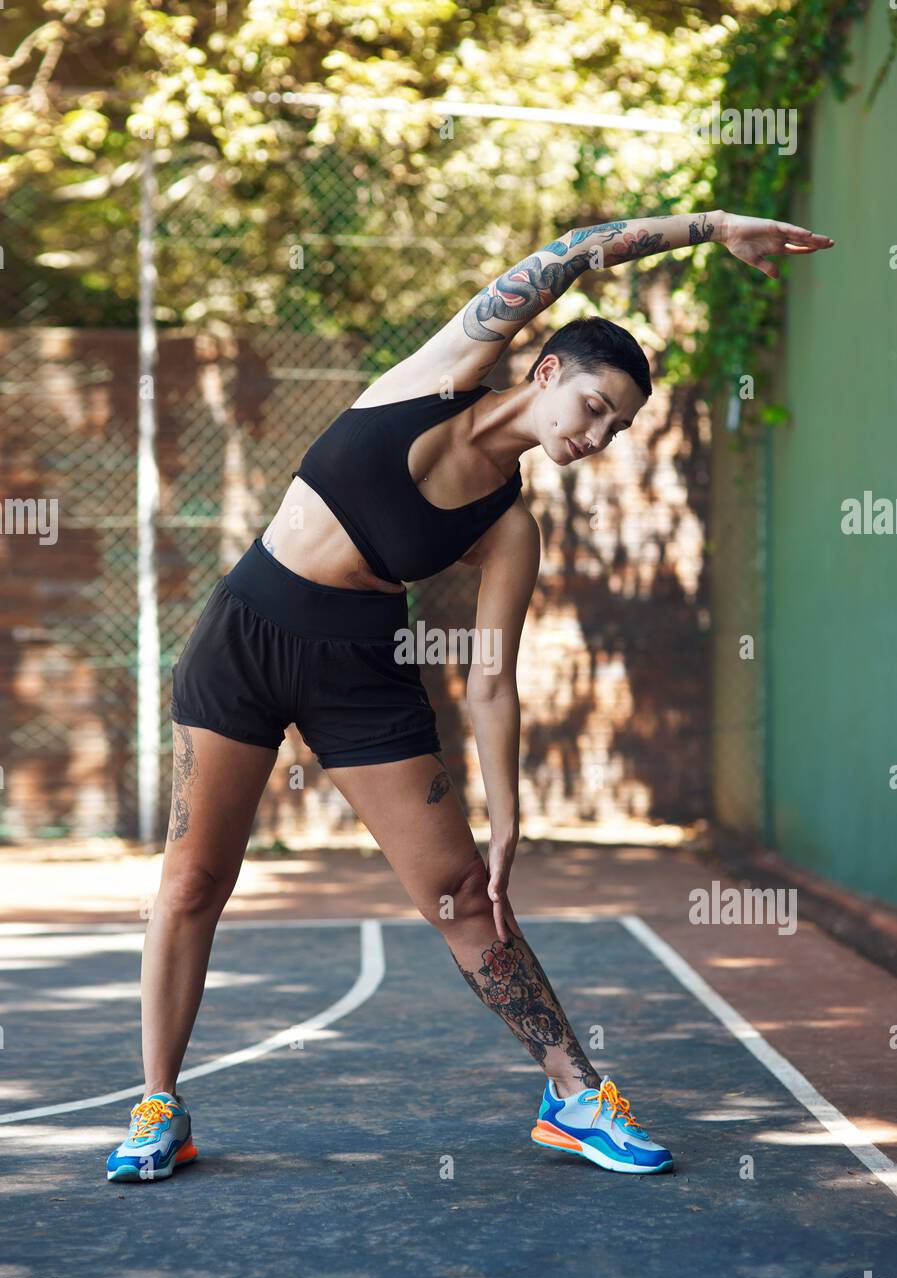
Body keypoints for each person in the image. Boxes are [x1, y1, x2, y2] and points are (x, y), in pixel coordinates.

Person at [106, 209, 833, 1182]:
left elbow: (491, 681)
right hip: (244, 639)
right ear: (545, 373)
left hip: (360, 674)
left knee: (462, 895)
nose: (600, 434)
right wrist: (713, 228)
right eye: (594, 407)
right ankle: (160, 1104)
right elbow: (571, 255)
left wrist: (510, 812)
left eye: (618, 426)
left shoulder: (509, 528)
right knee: (193, 883)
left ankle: (574, 1095)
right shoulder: (438, 376)